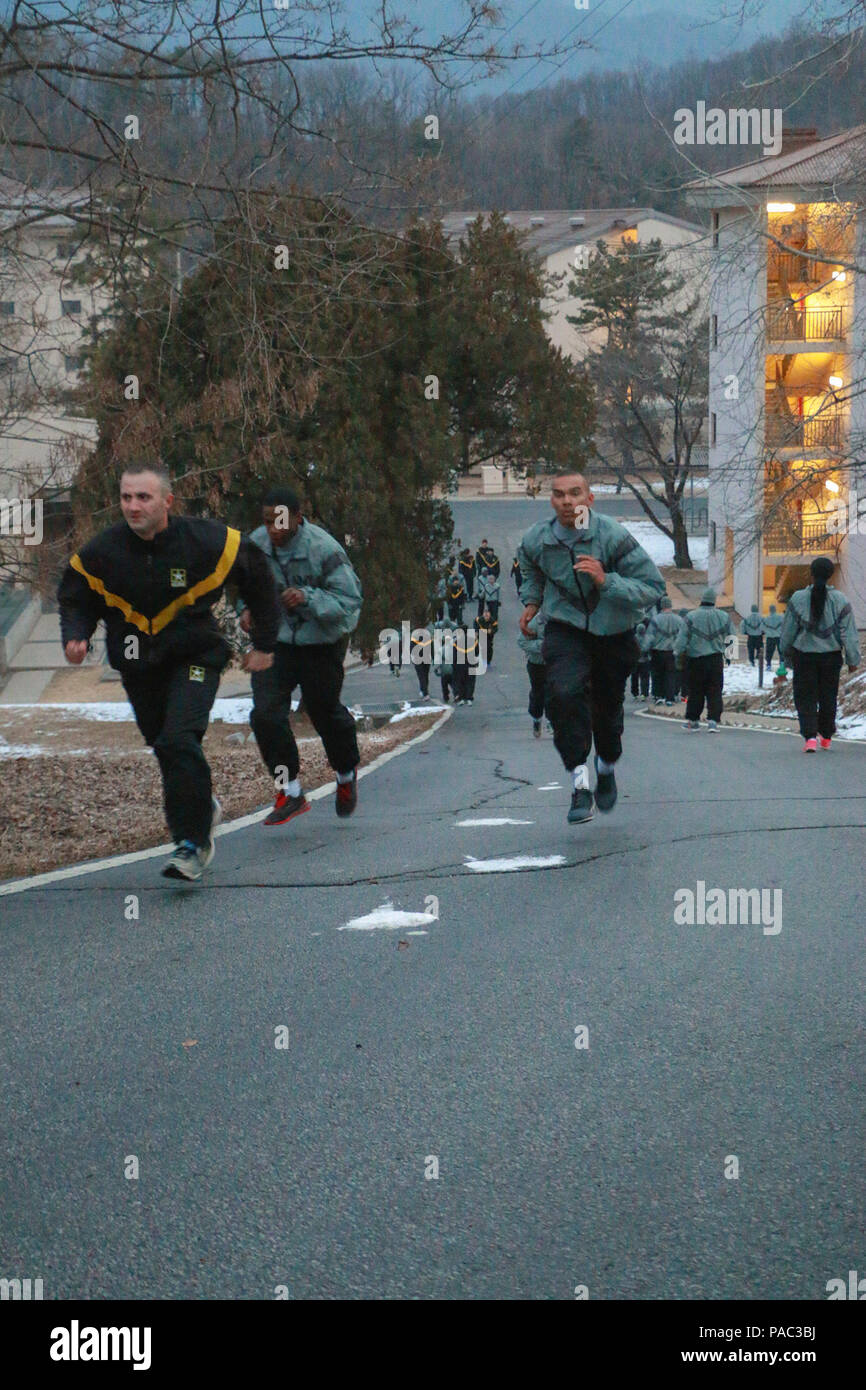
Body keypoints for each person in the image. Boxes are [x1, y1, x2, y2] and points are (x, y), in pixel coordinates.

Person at [58, 465, 280, 880]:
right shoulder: (103, 551)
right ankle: (201, 806)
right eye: (126, 497)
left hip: (195, 654)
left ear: (167, 502)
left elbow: (258, 576)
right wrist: (77, 634)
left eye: (143, 497)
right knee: (165, 746)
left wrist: (264, 643)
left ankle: (191, 844)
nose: (133, 506)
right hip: (138, 663)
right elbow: (75, 594)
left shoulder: (205, 540)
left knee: (179, 738)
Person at [518, 471, 665, 823]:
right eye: (558, 495)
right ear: (551, 500)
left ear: (589, 499)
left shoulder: (611, 536)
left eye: (574, 494)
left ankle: (606, 765)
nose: (567, 502)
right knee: (563, 695)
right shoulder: (537, 538)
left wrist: (606, 579)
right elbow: (529, 566)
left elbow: (652, 586)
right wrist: (533, 600)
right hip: (565, 627)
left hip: (613, 632)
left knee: (606, 711)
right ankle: (580, 784)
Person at [242, 487, 363, 824]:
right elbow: (246, 588)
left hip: (320, 643)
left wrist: (308, 598)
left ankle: (345, 773)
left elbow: (350, 601)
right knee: (265, 715)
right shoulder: (256, 546)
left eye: (280, 521)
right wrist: (247, 610)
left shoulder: (324, 549)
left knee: (323, 712)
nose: (273, 530)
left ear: (297, 517)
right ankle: (290, 790)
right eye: (267, 522)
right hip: (276, 643)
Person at [779, 556, 860, 752]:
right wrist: (852, 659)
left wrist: (785, 652)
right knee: (828, 696)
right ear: (831, 575)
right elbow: (848, 634)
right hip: (831, 658)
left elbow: (788, 631)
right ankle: (826, 736)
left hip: (804, 657)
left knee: (805, 696)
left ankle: (810, 738)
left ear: (811, 573)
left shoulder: (797, 598)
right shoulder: (840, 600)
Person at [674, 589, 733, 731]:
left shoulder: (690, 617)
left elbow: (682, 640)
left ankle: (693, 720)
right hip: (715, 659)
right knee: (715, 690)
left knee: (695, 691)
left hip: (696, 660)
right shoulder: (724, 617)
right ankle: (713, 720)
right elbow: (731, 637)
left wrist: (679, 654)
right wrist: (729, 656)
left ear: (702, 599)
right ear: (714, 600)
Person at [642, 598, 684, 705]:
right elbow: (683, 637)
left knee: (657, 674)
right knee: (671, 674)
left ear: (661, 606)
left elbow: (650, 636)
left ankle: (658, 695)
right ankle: (670, 697)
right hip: (672, 652)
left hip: (658, 651)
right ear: (670, 606)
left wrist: (644, 649)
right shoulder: (679, 620)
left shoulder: (655, 619)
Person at [517, 610, 546, 736]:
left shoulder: (565, 618)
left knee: (556, 692)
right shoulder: (537, 621)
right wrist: (542, 646)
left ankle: (554, 721)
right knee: (538, 693)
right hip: (537, 664)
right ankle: (536, 718)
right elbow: (522, 641)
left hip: (556, 663)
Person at [452, 623, 479, 705]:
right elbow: (477, 652)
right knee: (470, 681)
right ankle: (469, 697)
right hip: (471, 663)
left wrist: (453, 664)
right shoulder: (473, 641)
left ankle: (462, 697)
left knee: (460, 680)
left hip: (460, 664)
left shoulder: (457, 642)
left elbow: (454, 654)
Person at [433, 615, 457, 702]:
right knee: (453, 683)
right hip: (452, 668)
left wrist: (435, 668)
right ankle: (456, 694)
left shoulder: (441, 649)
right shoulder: (454, 648)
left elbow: (438, 660)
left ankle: (446, 696)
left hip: (444, 670)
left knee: (444, 684)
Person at [630, 618, 651, 699]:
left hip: (635, 660)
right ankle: (644, 693)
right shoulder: (648, 638)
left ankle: (635, 693)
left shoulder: (633, 638)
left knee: (634, 677)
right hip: (645, 660)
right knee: (645, 677)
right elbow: (649, 648)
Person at [410, 623, 433, 698]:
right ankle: (424, 690)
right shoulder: (428, 637)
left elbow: (411, 649)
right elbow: (432, 648)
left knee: (421, 676)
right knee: (425, 675)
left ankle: (424, 692)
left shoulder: (414, 639)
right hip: (427, 658)